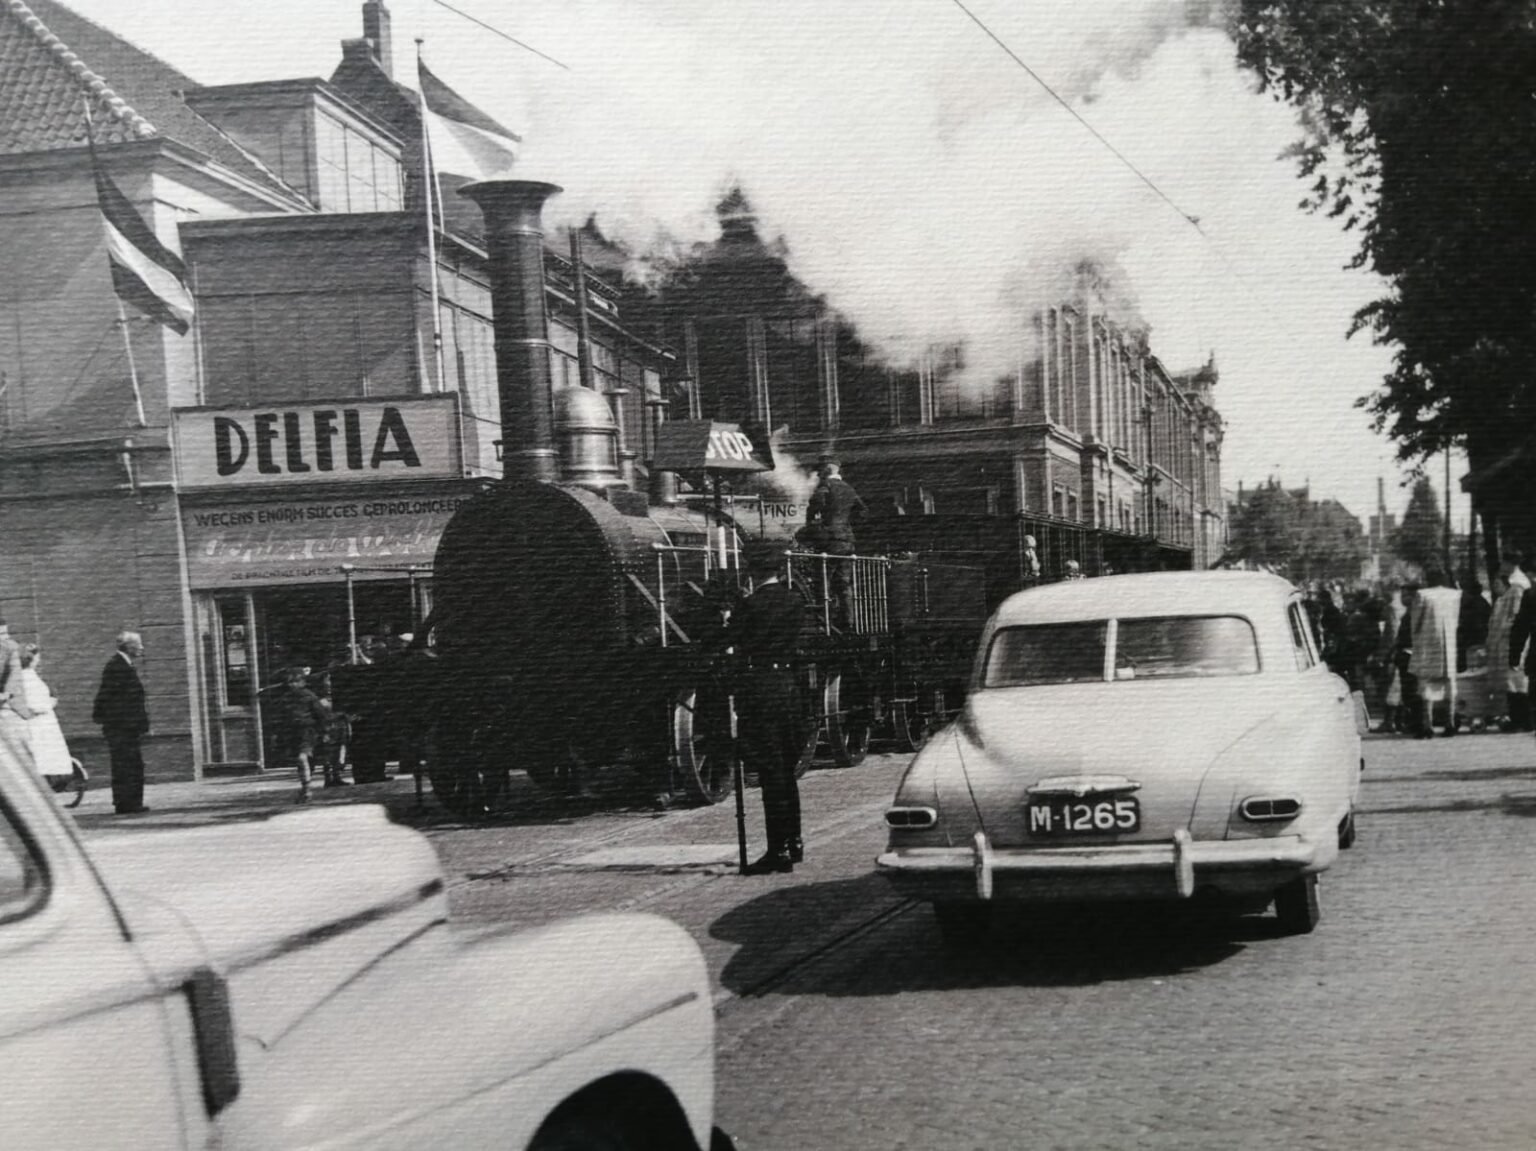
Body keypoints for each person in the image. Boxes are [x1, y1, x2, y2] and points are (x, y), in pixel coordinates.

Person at [726, 543, 808, 874]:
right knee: (786, 770)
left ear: (752, 571)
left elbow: (727, 639)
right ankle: (794, 842)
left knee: (770, 771)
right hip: (788, 687)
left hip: (760, 689)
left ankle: (778, 851)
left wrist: (728, 613)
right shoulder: (795, 601)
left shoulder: (750, 606)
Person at [92, 630, 150, 814]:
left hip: (125, 727)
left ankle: (130, 802)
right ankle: (127, 803)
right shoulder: (117, 666)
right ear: (128, 646)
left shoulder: (122, 665)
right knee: (126, 764)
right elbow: (113, 699)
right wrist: (127, 724)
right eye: (138, 644)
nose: (142, 648)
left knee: (129, 764)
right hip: (122, 728)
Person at [805, 458, 866, 627]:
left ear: (826, 470)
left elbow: (815, 505)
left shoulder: (826, 486)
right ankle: (848, 621)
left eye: (820, 471)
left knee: (823, 581)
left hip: (829, 541)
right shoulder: (849, 488)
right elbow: (863, 511)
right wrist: (846, 525)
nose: (818, 475)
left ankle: (824, 621)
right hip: (846, 540)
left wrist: (813, 524)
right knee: (844, 583)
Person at [1408, 567, 1462, 738]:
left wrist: (1415, 641)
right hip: (1449, 644)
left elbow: (1415, 622)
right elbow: (1456, 619)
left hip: (1428, 643)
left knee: (1426, 685)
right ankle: (1450, 723)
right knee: (1449, 684)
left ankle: (1427, 725)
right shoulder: (1455, 595)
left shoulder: (1422, 595)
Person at [18, 645, 79, 786]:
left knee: (45, 754)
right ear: (31, 659)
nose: (38, 660)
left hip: (43, 722)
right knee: (44, 755)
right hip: (39, 723)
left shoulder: (29, 675)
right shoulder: (27, 677)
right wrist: (50, 703)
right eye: (37, 657)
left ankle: (47, 780)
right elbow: (33, 704)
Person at [275, 667, 336, 803]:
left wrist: (325, 731)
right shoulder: (285, 698)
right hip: (293, 732)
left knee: (302, 758)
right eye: (290, 682)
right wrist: (279, 734)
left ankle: (307, 789)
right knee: (304, 762)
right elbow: (281, 717)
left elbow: (321, 715)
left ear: (302, 682)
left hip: (308, 731)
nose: (292, 685)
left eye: (295, 681)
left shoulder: (309, 696)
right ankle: (305, 788)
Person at [1490, 552, 1531, 730]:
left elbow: (1515, 614)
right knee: (1513, 679)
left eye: (1504, 563)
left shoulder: (1517, 584)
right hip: (1511, 636)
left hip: (1513, 637)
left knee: (1515, 678)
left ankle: (1520, 720)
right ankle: (1520, 719)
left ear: (1510, 564)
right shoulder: (1514, 583)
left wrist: (1501, 635)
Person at [0, 619, 36, 778]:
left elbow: (13, 675)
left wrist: (6, 694)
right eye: (1, 634)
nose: (6, 637)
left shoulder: (10, 648)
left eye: (6, 633)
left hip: (10, 707)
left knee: (20, 750)